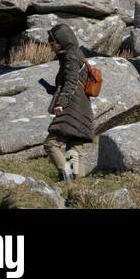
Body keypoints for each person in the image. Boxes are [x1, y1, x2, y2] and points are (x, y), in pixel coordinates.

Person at [43, 24, 94, 181]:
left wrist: (61, 103)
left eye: (53, 44)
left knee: (51, 144)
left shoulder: (70, 57)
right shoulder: (77, 55)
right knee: (74, 152)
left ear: (61, 41)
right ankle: (80, 187)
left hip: (72, 107)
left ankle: (66, 176)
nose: (51, 48)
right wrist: (53, 89)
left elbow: (71, 82)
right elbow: (73, 82)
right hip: (83, 108)